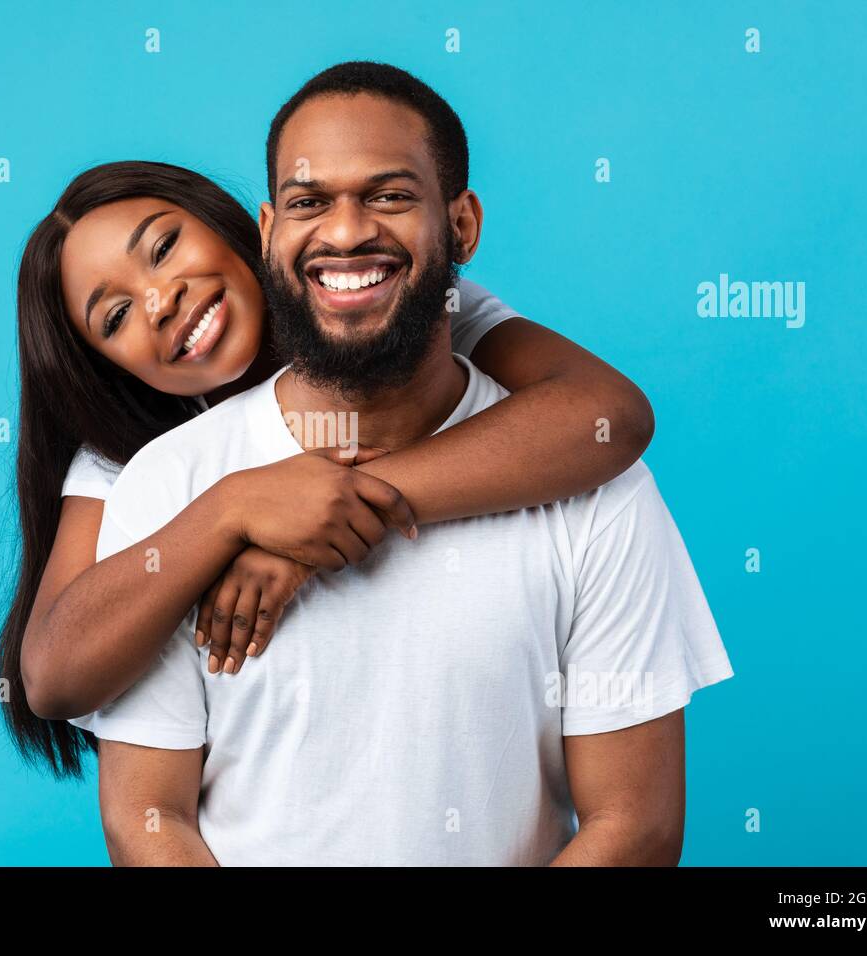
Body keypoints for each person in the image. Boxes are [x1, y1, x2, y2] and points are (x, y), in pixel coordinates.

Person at [80, 61, 734, 866]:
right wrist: (236, 516)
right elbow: (148, 820)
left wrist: (343, 508)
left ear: (461, 226)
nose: (346, 231)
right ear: (268, 230)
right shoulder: (169, 481)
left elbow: (633, 826)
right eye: (309, 202)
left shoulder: (593, 486)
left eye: (389, 196)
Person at [0, 122, 656, 780]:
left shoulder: (385, 301)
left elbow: (609, 417)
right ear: (108, 369)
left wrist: (319, 522)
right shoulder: (129, 457)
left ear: (248, 228)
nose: (162, 301)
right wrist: (234, 510)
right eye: (115, 317)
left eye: (164, 247)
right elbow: (52, 676)